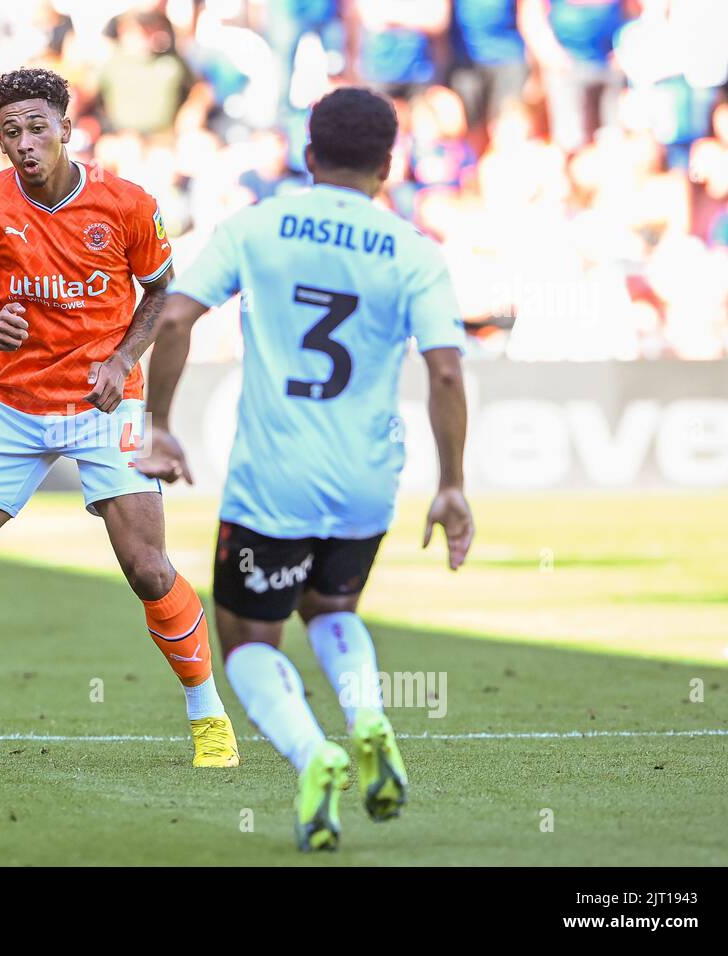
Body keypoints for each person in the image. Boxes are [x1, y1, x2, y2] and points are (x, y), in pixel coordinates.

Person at [0, 67, 240, 770]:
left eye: (38, 126)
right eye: (12, 132)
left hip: (106, 404)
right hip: (16, 408)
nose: (26, 142)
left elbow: (163, 292)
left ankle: (208, 715)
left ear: (67, 128)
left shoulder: (127, 204)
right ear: (0, 141)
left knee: (147, 570)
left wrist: (123, 356)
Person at [136, 88, 474, 850]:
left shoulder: (255, 226)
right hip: (368, 479)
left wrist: (158, 425)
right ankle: (368, 718)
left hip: (274, 477)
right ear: (389, 166)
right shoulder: (415, 249)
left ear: (308, 154)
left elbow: (179, 316)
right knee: (332, 610)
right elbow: (447, 373)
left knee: (251, 642)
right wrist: (452, 484)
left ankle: (313, 752)